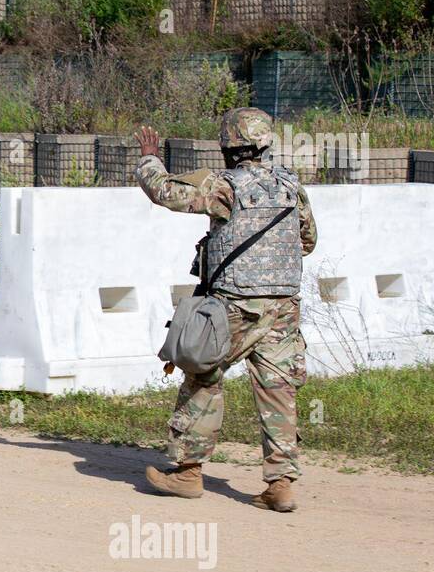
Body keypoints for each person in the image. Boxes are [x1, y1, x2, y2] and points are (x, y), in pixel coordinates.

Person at [133, 108, 318, 513]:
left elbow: (166, 192)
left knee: (203, 376)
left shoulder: (226, 187)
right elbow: (307, 240)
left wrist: (149, 157)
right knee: (278, 391)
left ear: (228, 148)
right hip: (284, 307)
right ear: (266, 144)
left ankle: (187, 473)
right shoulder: (290, 186)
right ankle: (281, 484)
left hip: (235, 304)